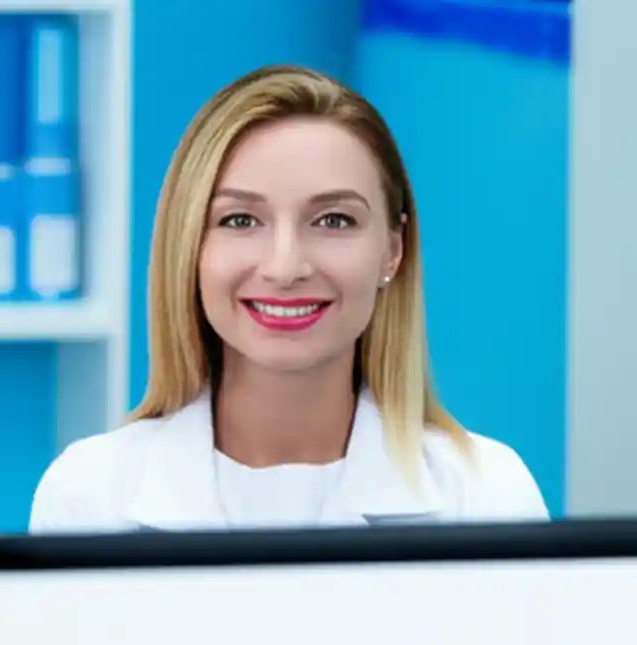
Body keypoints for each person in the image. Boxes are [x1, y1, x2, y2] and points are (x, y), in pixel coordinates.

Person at [30, 65, 548, 532]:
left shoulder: (486, 496)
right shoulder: (90, 496)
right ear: (189, 247)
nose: (285, 268)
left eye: (333, 220)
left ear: (393, 251)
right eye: (240, 220)